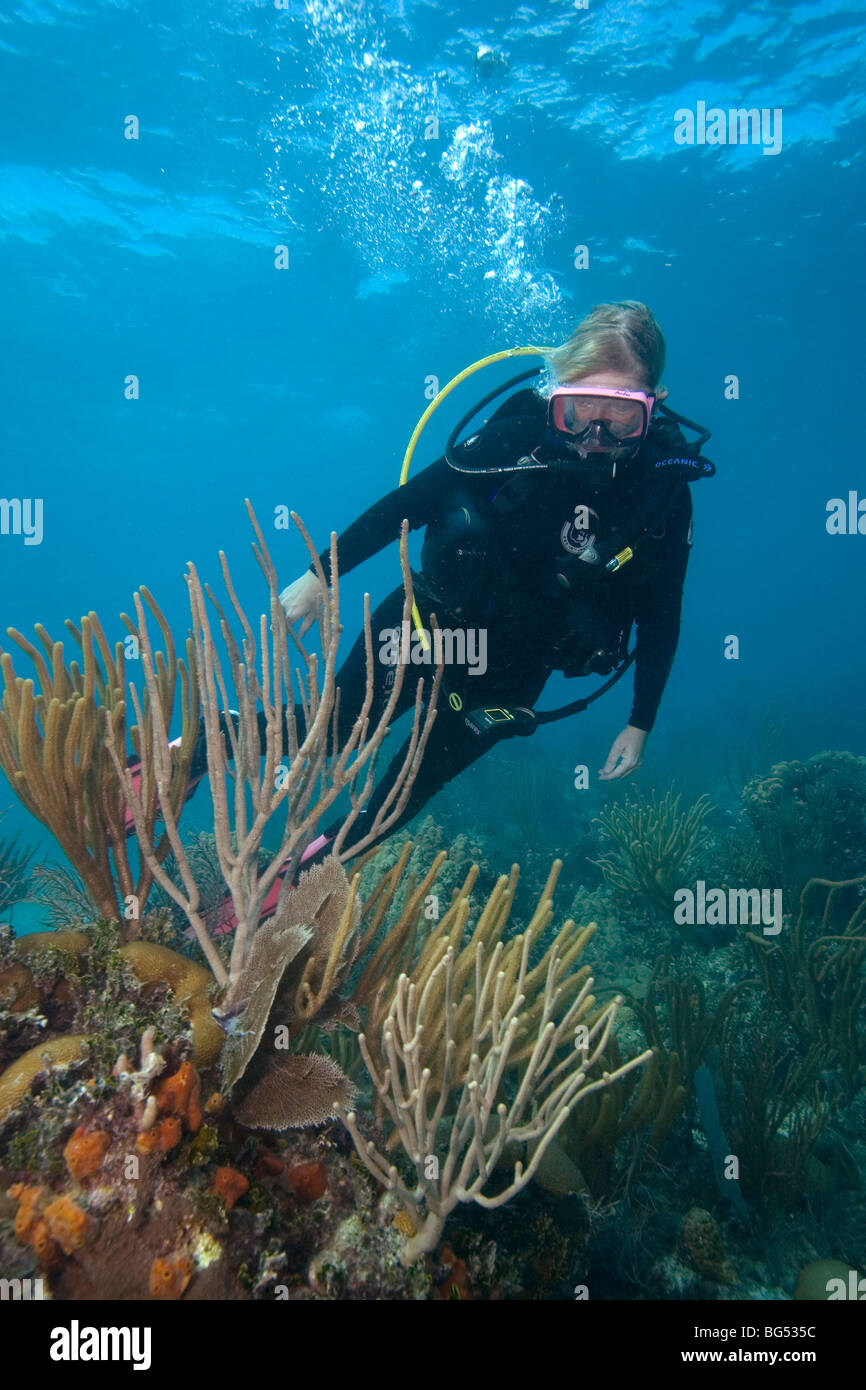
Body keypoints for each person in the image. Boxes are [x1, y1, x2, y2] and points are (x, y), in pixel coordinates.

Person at [277, 301, 713, 865]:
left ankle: (298, 877)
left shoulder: (663, 493)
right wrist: (322, 575)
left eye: (623, 415)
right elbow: (410, 503)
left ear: (654, 406)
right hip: (425, 626)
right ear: (555, 395)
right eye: (578, 411)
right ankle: (182, 756)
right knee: (327, 734)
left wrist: (641, 721)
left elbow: (662, 609)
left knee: (402, 794)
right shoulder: (514, 438)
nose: (596, 435)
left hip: (513, 672)